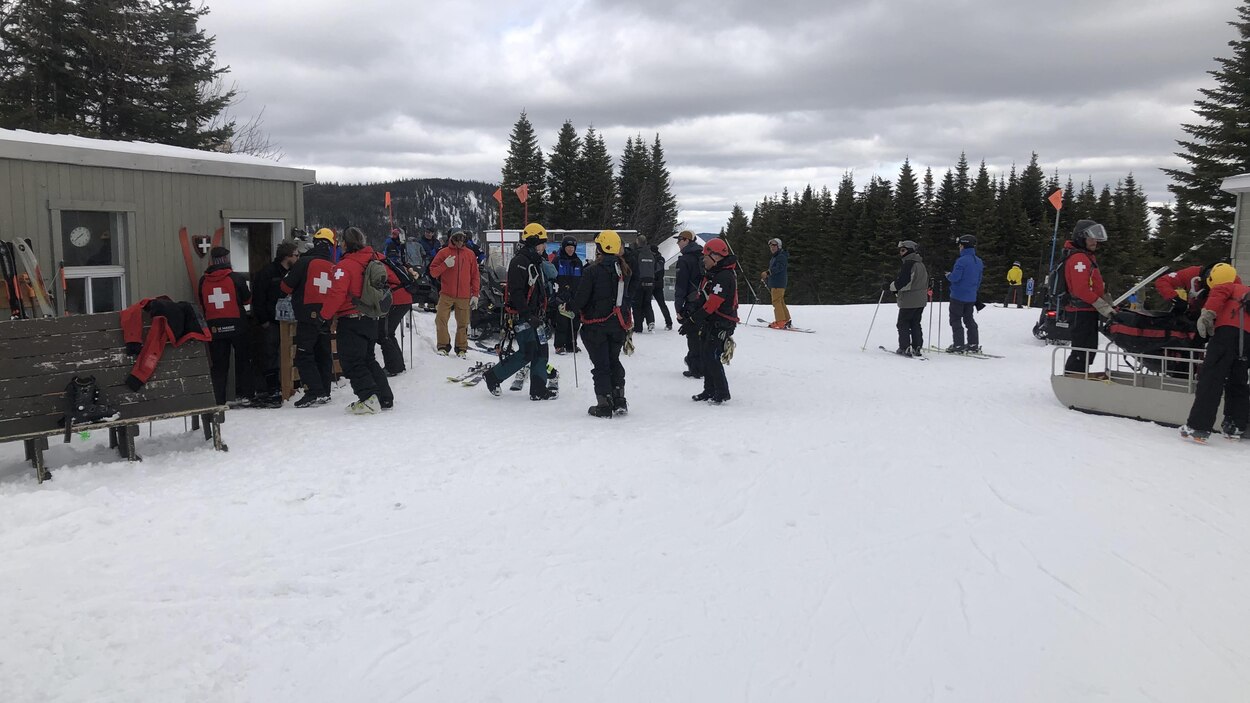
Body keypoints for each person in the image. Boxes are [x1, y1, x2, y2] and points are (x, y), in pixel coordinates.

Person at [320, 227, 394, 414]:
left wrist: (324, 316)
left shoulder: (344, 266)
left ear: (345, 244)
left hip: (351, 319)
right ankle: (384, 397)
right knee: (368, 358)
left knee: (352, 361)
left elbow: (337, 293)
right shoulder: (371, 259)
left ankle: (368, 397)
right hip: (370, 317)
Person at [482, 222, 556, 400]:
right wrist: (526, 315)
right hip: (522, 315)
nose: (544, 247)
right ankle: (493, 376)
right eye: (541, 242)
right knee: (527, 351)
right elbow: (516, 292)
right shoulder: (520, 262)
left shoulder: (535, 261)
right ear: (532, 242)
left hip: (535, 314)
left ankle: (538, 389)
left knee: (541, 350)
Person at [1179, 263, 1250, 442]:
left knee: (1211, 379)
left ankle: (1198, 427)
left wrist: (1207, 316)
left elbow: (1217, 298)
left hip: (1225, 336)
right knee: (1238, 382)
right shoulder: (1246, 290)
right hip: (1247, 340)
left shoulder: (1225, 286)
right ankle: (1236, 426)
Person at [567, 230, 633, 417]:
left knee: (601, 365)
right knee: (614, 361)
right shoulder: (624, 270)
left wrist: (568, 306)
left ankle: (604, 404)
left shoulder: (592, 272)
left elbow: (581, 299)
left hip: (596, 326)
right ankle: (619, 398)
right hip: (618, 325)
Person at [280, 228, 337, 407]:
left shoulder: (304, 262)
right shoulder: (334, 266)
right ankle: (324, 391)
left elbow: (285, 287)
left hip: (307, 316)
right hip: (326, 315)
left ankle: (314, 391)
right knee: (324, 353)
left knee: (304, 355)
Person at [198, 247, 253, 406]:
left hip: (214, 328)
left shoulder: (203, 280)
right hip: (238, 326)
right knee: (243, 360)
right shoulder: (236, 278)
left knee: (219, 365)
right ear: (226, 259)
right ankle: (246, 395)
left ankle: (218, 400)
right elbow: (247, 300)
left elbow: (203, 302)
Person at [250, 240, 299, 407]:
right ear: (287, 256)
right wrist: (263, 320)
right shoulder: (267, 273)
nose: (298, 258)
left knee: (289, 353)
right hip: (271, 322)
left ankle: (291, 385)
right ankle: (272, 388)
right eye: (296, 255)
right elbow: (258, 297)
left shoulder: (294, 273)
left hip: (290, 322)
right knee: (270, 355)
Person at [1062, 220, 1113, 376]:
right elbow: (1081, 289)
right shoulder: (1079, 259)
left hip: (1087, 310)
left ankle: (1077, 377)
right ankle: (1072, 379)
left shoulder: (1086, 257)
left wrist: (1105, 300)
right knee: (1082, 349)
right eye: (1091, 237)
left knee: (1088, 348)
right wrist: (1102, 306)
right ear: (1081, 237)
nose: (1095, 241)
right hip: (1080, 311)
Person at [692, 237, 739, 404]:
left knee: (712, 356)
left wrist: (695, 318)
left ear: (716, 256)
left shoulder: (724, 276)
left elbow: (714, 302)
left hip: (722, 321)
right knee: (705, 354)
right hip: (712, 320)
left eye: (706, 256)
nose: (704, 259)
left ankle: (721, 391)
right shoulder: (715, 274)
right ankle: (709, 390)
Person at [428, 229, 481, 358]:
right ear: (451, 239)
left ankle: (461, 348)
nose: (459, 241)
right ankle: (443, 346)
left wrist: (475, 294)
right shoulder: (443, 253)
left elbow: (475, 275)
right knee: (440, 319)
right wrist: (445, 265)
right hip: (446, 294)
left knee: (463, 323)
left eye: (462, 239)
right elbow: (433, 272)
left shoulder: (470, 254)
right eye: (457, 238)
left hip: (464, 295)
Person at [886, 240, 929, 356]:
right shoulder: (920, 264)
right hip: (921, 300)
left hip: (910, 300)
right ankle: (917, 346)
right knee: (915, 323)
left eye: (903, 250)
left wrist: (890, 287)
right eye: (900, 250)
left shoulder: (909, 264)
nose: (901, 253)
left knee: (903, 323)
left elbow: (904, 282)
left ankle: (904, 347)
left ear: (910, 250)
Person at [377, 248, 415, 376]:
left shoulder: (379, 264)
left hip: (396, 300)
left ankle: (394, 367)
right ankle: (397, 365)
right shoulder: (389, 263)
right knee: (388, 332)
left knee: (384, 333)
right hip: (404, 299)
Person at [1155, 263, 1240, 319]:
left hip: (1215, 318)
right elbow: (1162, 281)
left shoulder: (1236, 284)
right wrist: (1176, 299)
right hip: (1188, 314)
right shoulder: (1192, 273)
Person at [673, 230, 705, 378]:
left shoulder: (685, 260)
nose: (677, 243)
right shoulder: (703, 256)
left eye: (679, 240)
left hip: (692, 301)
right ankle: (704, 364)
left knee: (692, 334)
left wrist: (678, 307)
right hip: (705, 301)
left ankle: (696, 367)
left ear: (686, 240)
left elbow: (681, 285)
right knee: (702, 334)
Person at [946, 234, 985, 353]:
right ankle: (973, 344)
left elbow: (956, 277)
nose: (959, 248)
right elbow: (979, 279)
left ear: (963, 246)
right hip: (971, 296)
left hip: (958, 295)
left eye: (960, 245)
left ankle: (958, 345)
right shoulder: (978, 261)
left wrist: (948, 275)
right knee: (969, 320)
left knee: (955, 319)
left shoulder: (961, 261)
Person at [549, 236, 584, 354]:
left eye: (573, 247)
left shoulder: (578, 262)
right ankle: (559, 345)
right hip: (561, 296)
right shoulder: (557, 261)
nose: (570, 250)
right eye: (568, 247)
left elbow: (582, 280)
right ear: (564, 248)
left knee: (574, 322)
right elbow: (552, 277)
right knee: (562, 322)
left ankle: (571, 344)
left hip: (574, 297)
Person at [761, 237, 791, 328]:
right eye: (770, 245)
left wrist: (768, 273)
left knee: (776, 301)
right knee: (780, 301)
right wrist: (767, 274)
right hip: (777, 282)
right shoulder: (777, 256)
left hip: (778, 283)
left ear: (779, 246)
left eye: (774, 245)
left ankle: (780, 321)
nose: (772, 247)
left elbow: (779, 268)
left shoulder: (780, 256)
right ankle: (786, 319)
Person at [632, 235, 658, 332]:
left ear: (638, 242)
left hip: (639, 280)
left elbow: (633, 267)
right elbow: (655, 267)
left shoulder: (636, 253)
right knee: (647, 303)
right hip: (651, 281)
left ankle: (638, 327)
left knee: (637, 305)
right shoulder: (652, 254)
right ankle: (650, 321)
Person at [649, 239, 674, 330]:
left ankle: (669, 323)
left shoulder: (660, 259)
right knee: (649, 304)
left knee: (661, 304)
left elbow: (656, 269)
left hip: (657, 285)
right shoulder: (660, 259)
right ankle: (650, 321)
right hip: (655, 283)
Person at [417, 228, 442, 311]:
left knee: (434, 283)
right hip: (423, 263)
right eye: (426, 232)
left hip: (435, 264)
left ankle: (433, 302)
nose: (428, 234)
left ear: (433, 233)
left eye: (430, 232)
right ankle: (422, 301)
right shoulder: (420, 241)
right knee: (423, 282)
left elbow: (439, 252)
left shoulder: (436, 242)